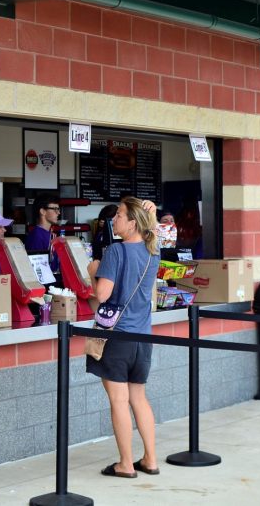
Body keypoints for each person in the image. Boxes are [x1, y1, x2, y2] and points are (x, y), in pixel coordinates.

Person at [86, 197, 160, 479]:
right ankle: (150, 459)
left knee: (118, 400)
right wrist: (149, 211)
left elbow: (102, 294)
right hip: (143, 336)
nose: (113, 220)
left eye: (118, 215)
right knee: (139, 398)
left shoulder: (116, 251)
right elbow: (151, 225)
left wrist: (93, 272)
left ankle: (126, 464)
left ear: (132, 223)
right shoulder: (153, 250)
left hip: (117, 338)